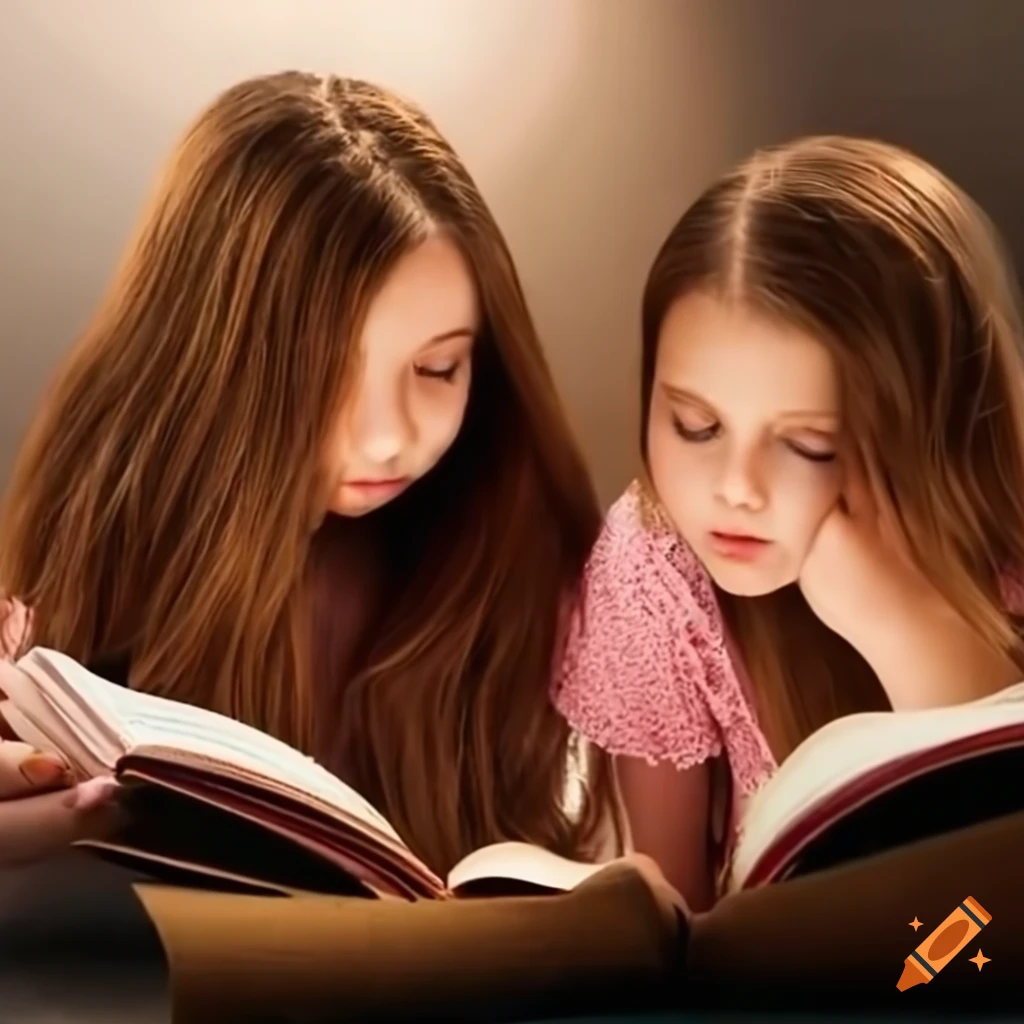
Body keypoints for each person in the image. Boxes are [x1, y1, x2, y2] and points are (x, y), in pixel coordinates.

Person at [0, 70, 621, 875]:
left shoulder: (522, 583)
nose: (389, 437)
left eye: (439, 369)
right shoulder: (89, 573)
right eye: (324, 376)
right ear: (205, 360)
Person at [552, 135, 1024, 910]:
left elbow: (995, 892)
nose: (736, 489)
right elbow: (675, 923)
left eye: (809, 444)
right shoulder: (654, 563)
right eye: (695, 427)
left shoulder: (998, 544)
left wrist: (912, 632)